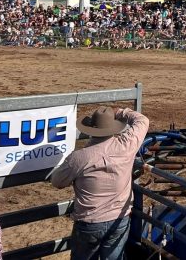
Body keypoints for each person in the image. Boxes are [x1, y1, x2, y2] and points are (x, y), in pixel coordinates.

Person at [50, 106, 150, 260]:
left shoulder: (79, 158)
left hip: (89, 222)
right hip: (119, 219)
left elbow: (56, 181)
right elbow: (143, 120)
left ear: (90, 129)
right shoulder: (126, 145)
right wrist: (120, 112)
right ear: (113, 128)